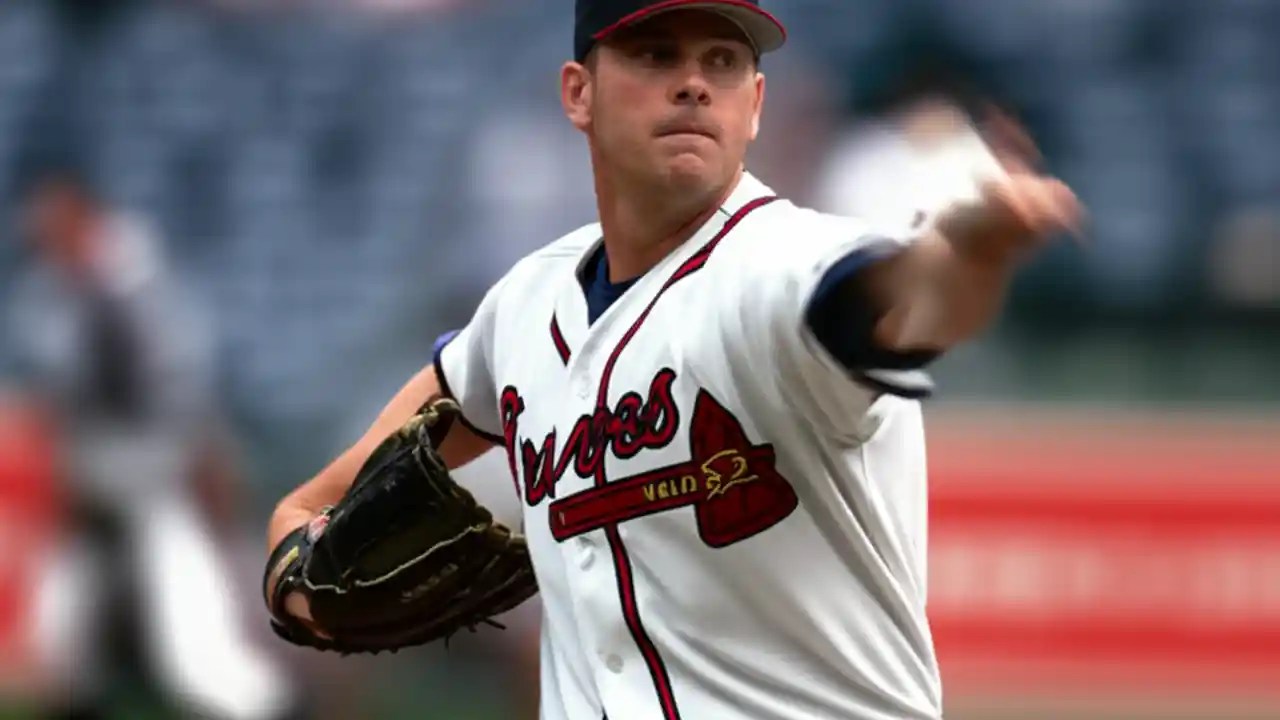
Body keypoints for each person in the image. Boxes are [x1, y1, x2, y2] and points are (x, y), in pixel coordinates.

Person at [266, 2, 1081, 719]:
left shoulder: (783, 269)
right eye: (656, 54)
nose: (693, 83)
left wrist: (969, 253)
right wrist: (292, 579)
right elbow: (314, 507)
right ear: (578, 92)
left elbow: (905, 304)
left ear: (755, 104)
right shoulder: (522, 308)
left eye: (722, 62)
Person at [7, 166, 301, 720]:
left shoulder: (135, 285)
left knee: (198, 646)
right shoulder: (54, 292)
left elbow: (179, 396)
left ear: (83, 217)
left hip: (156, 487)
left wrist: (199, 465)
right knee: (63, 649)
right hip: (90, 494)